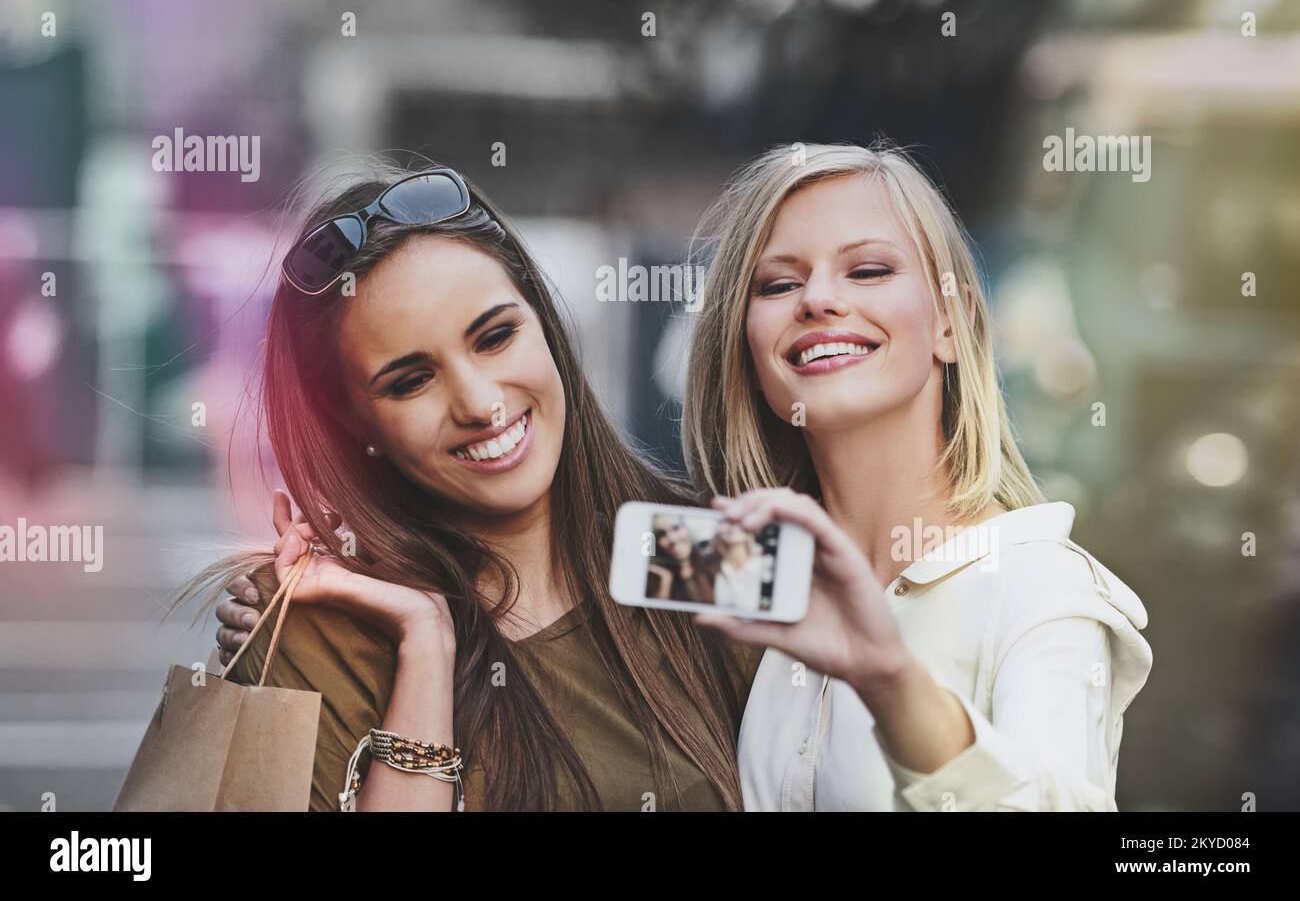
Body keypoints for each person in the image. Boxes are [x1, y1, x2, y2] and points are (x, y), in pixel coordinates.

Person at [183, 158, 754, 811]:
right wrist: (426, 639)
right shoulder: (313, 633)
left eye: (496, 336)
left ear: (542, 319)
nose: (480, 403)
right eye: (411, 380)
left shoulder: (704, 554)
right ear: (350, 418)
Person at [682, 141, 1153, 811]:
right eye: (778, 283)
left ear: (951, 324)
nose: (816, 298)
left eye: (868, 270)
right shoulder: (750, 573)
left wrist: (892, 682)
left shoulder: (1038, 586)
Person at [646, 513, 718, 604]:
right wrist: (665, 581)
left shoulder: (714, 565)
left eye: (676, 528)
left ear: (687, 529)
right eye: (662, 534)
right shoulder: (655, 577)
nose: (672, 539)